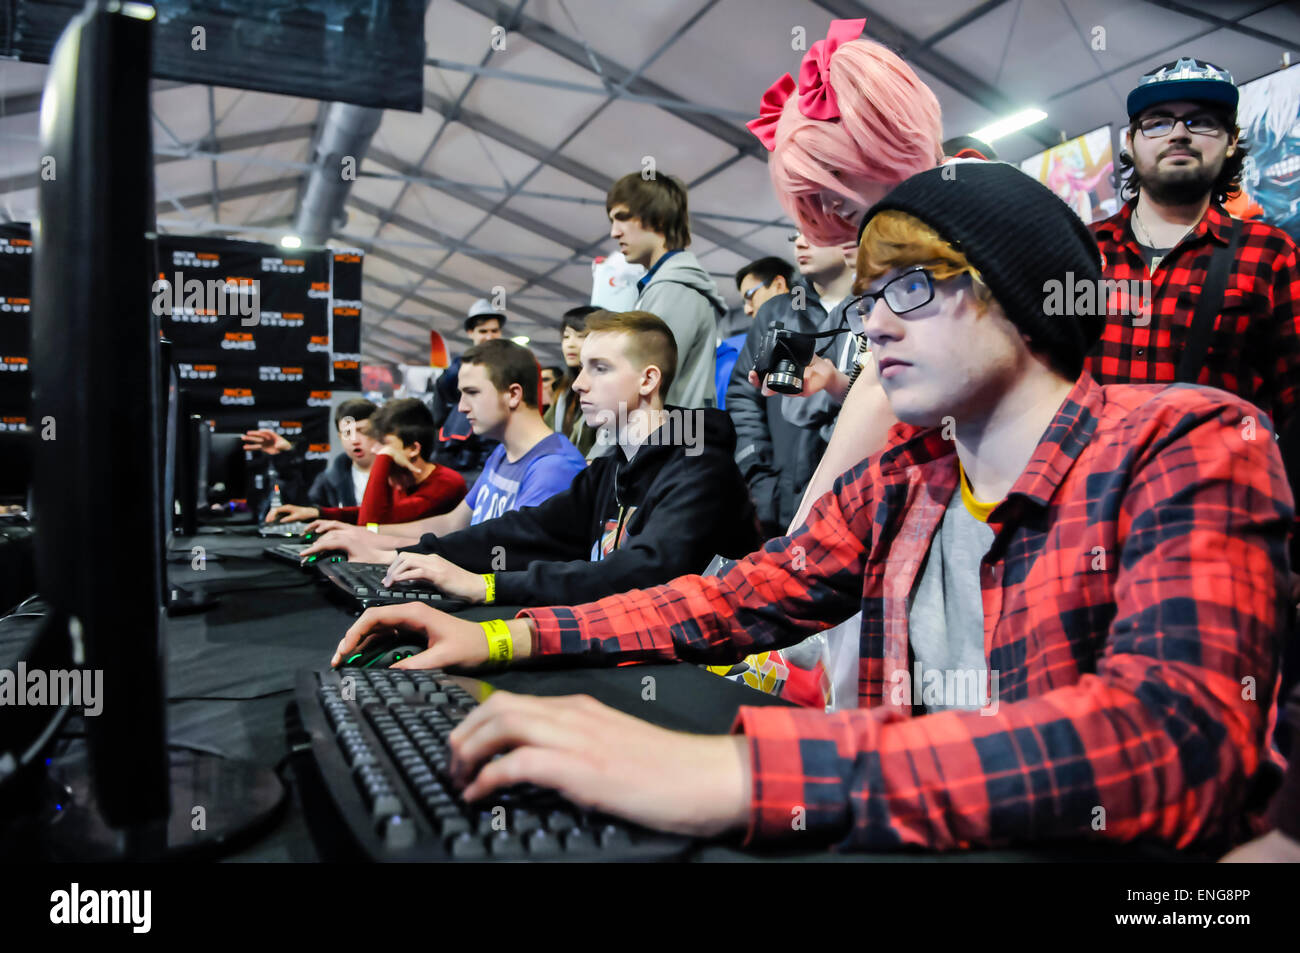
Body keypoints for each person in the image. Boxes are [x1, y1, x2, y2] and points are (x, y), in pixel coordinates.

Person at [332, 163, 1290, 852]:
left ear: (1022, 295)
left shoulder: (1188, 441)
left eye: (911, 286)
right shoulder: (908, 477)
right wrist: (503, 636)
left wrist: (737, 773)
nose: (877, 323)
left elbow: (1169, 735)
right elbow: (731, 598)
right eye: (871, 299)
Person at [321, 310, 760, 607]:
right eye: (581, 368)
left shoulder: (701, 467)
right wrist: (409, 555)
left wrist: (486, 585)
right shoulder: (613, 467)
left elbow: (641, 573)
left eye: (599, 368)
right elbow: (529, 531)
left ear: (648, 380)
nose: (579, 384)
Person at [1087, 58, 1300, 439]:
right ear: (1130, 143)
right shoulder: (1078, 250)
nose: (1179, 134)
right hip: (1088, 475)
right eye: (1158, 123)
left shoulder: (1269, 254)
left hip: (1221, 474)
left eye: (1201, 121)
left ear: (1231, 141)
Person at [301, 340, 586, 558]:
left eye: (472, 393)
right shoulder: (503, 453)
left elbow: (503, 557)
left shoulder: (553, 467)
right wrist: (365, 533)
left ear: (513, 394)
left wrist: (387, 554)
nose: (461, 407)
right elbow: (451, 525)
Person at [727, 234, 860, 537]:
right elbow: (743, 395)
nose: (799, 242)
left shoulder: (874, 308)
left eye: (812, 230)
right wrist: (759, 474)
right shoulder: (776, 312)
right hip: (782, 500)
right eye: (794, 234)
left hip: (855, 494)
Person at [607, 172, 727, 409]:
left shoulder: (673, 288)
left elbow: (647, 385)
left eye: (623, 218)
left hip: (670, 430)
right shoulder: (665, 285)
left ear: (659, 218)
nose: (614, 232)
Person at [266, 398, 465, 526]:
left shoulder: (446, 484)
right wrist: (318, 512)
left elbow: (371, 525)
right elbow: (373, 515)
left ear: (413, 449)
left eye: (384, 444)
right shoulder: (403, 480)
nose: (376, 450)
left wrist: (383, 459)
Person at [241, 398, 379, 510]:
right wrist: (285, 455)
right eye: (347, 433)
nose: (354, 440)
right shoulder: (329, 479)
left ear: (379, 432)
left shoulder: (392, 474)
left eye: (362, 431)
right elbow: (305, 510)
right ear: (339, 436)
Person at [429, 298, 506, 479]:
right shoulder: (455, 370)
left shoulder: (511, 367)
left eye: (494, 331)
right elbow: (439, 412)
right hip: (461, 457)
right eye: (483, 331)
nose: (489, 336)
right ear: (470, 332)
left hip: (498, 453)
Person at [715, 256, 794, 412]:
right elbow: (742, 398)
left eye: (750, 296)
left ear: (778, 285)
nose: (747, 309)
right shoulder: (756, 347)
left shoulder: (820, 327)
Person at [544, 305, 600, 457]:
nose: (570, 344)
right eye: (566, 336)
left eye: (581, 336)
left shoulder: (605, 389)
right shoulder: (563, 391)